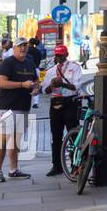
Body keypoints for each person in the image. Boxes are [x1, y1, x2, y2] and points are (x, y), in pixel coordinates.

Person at [0, 40, 38, 182]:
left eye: (25, 45)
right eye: (20, 46)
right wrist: (22, 84)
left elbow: (36, 81)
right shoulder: (8, 62)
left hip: (23, 106)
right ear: (14, 48)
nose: (23, 48)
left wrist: (36, 88)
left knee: (16, 141)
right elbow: (1, 83)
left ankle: (13, 170)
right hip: (7, 107)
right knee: (4, 140)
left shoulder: (30, 62)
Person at [42, 45, 82, 177]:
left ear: (66, 54)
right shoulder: (51, 71)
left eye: (61, 55)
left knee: (73, 135)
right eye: (57, 55)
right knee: (56, 136)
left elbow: (76, 87)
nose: (58, 57)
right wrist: (52, 86)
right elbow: (45, 90)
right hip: (55, 104)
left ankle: (76, 165)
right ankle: (56, 165)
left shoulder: (75, 68)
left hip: (70, 102)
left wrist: (63, 84)